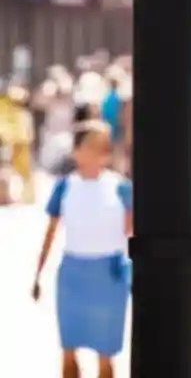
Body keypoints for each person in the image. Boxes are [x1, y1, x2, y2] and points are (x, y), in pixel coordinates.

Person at [32, 121, 132, 378]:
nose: (98, 152)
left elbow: (131, 233)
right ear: (76, 151)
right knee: (68, 352)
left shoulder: (120, 187)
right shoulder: (65, 187)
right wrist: (38, 275)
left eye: (103, 147)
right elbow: (50, 232)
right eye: (91, 146)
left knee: (106, 354)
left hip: (109, 276)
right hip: (74, 276)